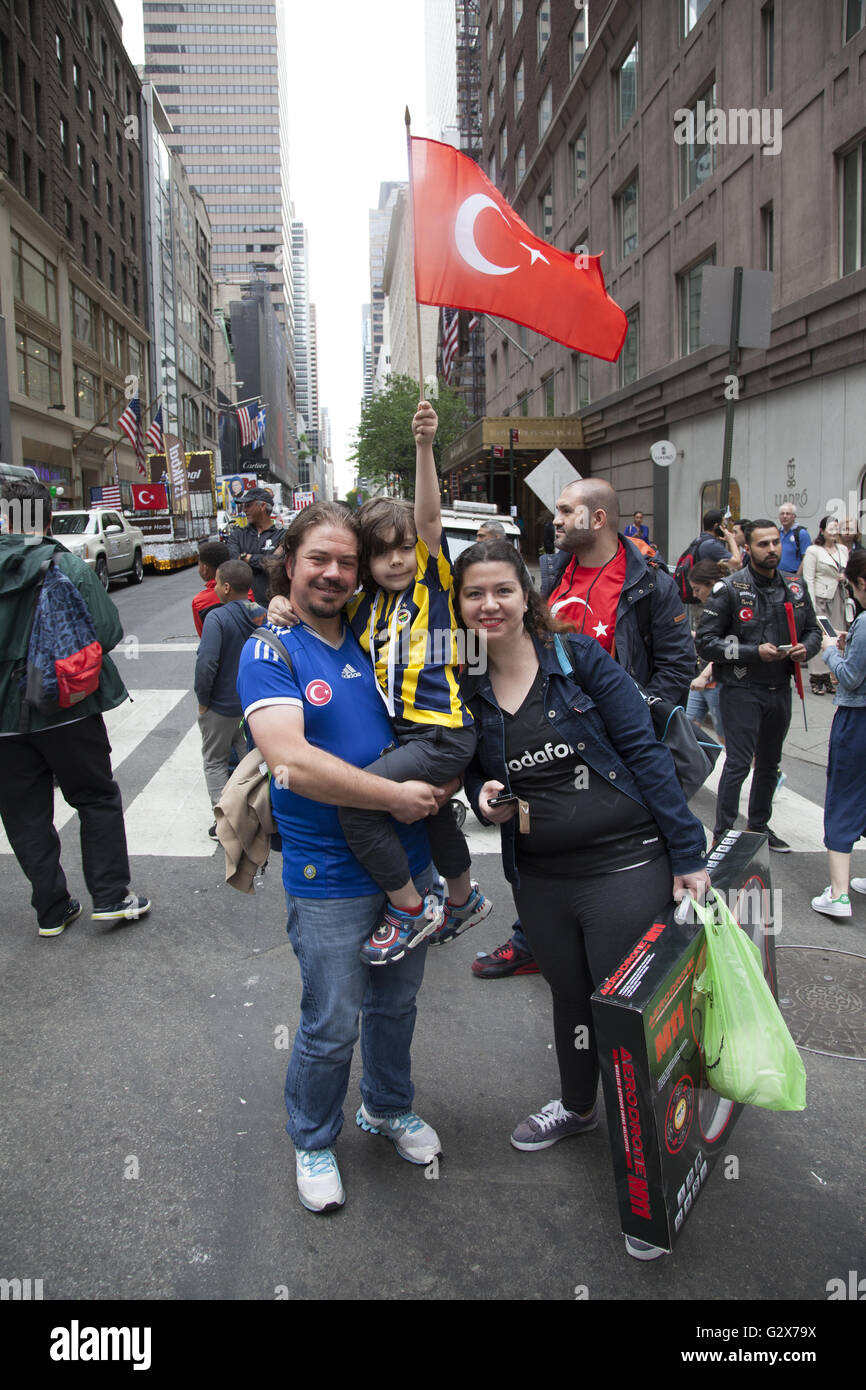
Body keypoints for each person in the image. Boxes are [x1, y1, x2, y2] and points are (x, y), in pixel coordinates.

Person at [454, 538, 709, 1262]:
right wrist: (486, 798)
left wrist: (686, 853)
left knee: (628, 1013)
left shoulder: (578, 661)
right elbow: (471, 773)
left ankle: (652, 1167)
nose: (489, 605)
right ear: (461, 608)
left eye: (502, 590)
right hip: (539, 874)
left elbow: (645, 752)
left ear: (524, 595)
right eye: (474, 595)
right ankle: (576, 1106)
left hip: (625, 861)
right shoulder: (463, 681)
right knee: (570, 997)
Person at [236, 502, 446, 1214]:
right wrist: (390, 797)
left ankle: (387, 1107)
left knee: (399, 1004)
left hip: (408, 866)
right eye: (317, 559)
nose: (332, 573)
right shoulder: (271, 648)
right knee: (332, 1020)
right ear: (288, 562)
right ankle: (313, 1136)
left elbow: (430, 547)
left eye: (345, 562)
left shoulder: (369, 626)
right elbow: (290, 762)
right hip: (328, 877)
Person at [271, 403, 492, 963]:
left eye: (404, 548)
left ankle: (409, 908)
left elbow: (429, 521)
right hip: (410, 739)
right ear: (365, 563)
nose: (397, 560)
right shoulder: (362, 608)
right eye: (382, 552)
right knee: (434, 809)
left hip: (440, 735)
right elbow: (311, 601)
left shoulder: (435, 586)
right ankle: (464, 899)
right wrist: (277, 603)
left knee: (358, 808)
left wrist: (424, 446)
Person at [473, 477, 697, 979]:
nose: (554, 518)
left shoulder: (650, 583)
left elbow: (678, 667)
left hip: (616, 748)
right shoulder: (551, 574)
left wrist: (626, 711)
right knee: (543, 839)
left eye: (565, 509)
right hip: (549, 741)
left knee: (622, 949)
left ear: (596, 519)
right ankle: (533, 938)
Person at [0, 477, 150, 935]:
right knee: (96, 798)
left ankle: (52, 910)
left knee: (24, 814)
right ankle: (109, 896)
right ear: (46, 519)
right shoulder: (65, 564)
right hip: (67, 708)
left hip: (3, 721)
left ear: (6, 518)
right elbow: (106, 632)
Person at [696, 519, 822, 852]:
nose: (771, 549)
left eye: (775, 542)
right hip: (741, 690)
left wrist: (805, 648)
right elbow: (706, 643)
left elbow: (813, 631)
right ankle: (723, 832)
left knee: (770, 763)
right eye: (763, 544)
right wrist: (754, 653)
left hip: (780, 688)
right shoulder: (730, 588)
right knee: (738, 763)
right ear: (748, 548)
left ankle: (759, 825)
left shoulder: (795, 586)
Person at [811, 550, 866, 918]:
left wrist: (830, 652)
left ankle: (839, 894)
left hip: (857, 720)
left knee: (843, 798)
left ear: (861, 583)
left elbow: (849, 677)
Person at [194, 558, 265, 835]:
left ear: (225, 587)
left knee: (215, 760)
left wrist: (203, 699)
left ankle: (225, 821)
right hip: (250, 703)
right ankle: (253, 808)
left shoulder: (217, 617)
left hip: (221, 706)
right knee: (247, 758)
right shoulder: (263, 613)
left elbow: (206, 663)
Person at [684, 561, 730, 741]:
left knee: (726, 737)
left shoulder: (726, 608)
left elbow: (724, 647)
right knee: (688, 731)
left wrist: (704, 676)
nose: (695, 595)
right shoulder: (711, 608)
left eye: (697, 589)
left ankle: (762, 769)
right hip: (701, 679)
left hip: (716, 681)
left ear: (712, 583)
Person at [803, 517, 849, 695]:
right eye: (831, 528)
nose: (834, 531)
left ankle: (832, 675)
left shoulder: (843, 549)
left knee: (837, 635)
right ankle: (817, 677)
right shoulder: (813, 551)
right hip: (821, 598)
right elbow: (809, 579)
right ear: (822, 530)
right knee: (822, 635)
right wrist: (811, 605)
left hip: (839, 596)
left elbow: (847, 569)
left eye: (837, 528)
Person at [227, 487, 286, 606]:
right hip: (244, 607)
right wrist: (268, 558)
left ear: (262, 506)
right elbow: (234, 564)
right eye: (243, 506)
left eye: (248, 505)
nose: (244, 510)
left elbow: (280, 563)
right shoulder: (238, 535)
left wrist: (247, 558)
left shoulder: (282, 535)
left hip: (274, 607)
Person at [192, 539, 230, 637]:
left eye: (199, 565)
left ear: (205, 568)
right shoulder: (246, 590)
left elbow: (203, 636)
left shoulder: (199, 602)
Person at [778, 503, 811, 578]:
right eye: (782, 514)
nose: (785, 516)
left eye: (788, 514)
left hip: (793, 575)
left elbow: (806, 559)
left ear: (794, 516)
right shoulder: (778, 533)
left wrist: (796, 577)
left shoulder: (801, 533)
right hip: (778, 575)